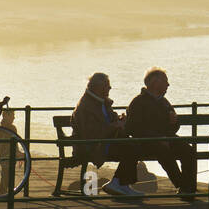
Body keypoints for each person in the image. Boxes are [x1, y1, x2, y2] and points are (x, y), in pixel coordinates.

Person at [122, 68, 199, 198]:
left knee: (189, 151)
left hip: (167, 138)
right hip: (146, 142)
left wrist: (173, 122)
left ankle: (189, 189)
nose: (168, 85)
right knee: (163, 151)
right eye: (165, 81)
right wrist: (157, 137)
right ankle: (182, 185)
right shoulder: (138, 102)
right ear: (155, 82)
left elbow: (174, 128)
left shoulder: (164, 101)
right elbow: (132, 128)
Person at [70, 72, 126, 194]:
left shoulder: (100, 102)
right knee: (131, 148)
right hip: (92, 147)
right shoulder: (87, 105)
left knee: (132, 145)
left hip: (103, 143)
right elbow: (92, 134)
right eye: (107, 85)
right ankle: (119, 183)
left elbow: (108, 121)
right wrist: (114, 126)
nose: (110, 88)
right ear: (97, 87)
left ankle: (120, 183)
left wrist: (119, 121)